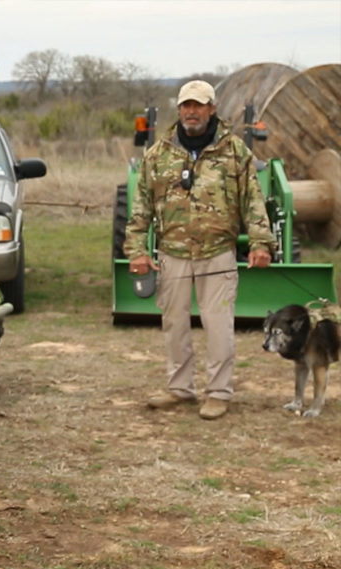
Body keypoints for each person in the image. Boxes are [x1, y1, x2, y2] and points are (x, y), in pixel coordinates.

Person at [125, 79, 275, 420]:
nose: (192, 111)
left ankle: (218, 392)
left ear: (212, 109)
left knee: (218, 323)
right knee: (174, 322)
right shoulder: (158, 153)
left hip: (217, 253)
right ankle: (180, 388)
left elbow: (253, 200)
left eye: (199, 105)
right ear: (179, 110)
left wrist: (261, 243)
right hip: (172, 254)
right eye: (186, 105)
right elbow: (141, 207)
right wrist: (137, 249)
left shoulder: (235, 151)